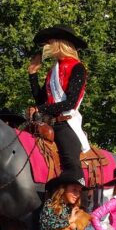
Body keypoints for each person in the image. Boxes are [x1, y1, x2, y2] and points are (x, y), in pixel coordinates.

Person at [28, 24, 90, 177]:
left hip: (65, 124)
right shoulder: (53, 70)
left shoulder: (77, 68)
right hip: (48, 122)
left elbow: (70, 103)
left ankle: (78, 186)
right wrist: (33, 74)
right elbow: (41, 99)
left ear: (59, 43)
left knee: (71, 164)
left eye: (49, 42)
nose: (46, 46)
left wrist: (41, 109)